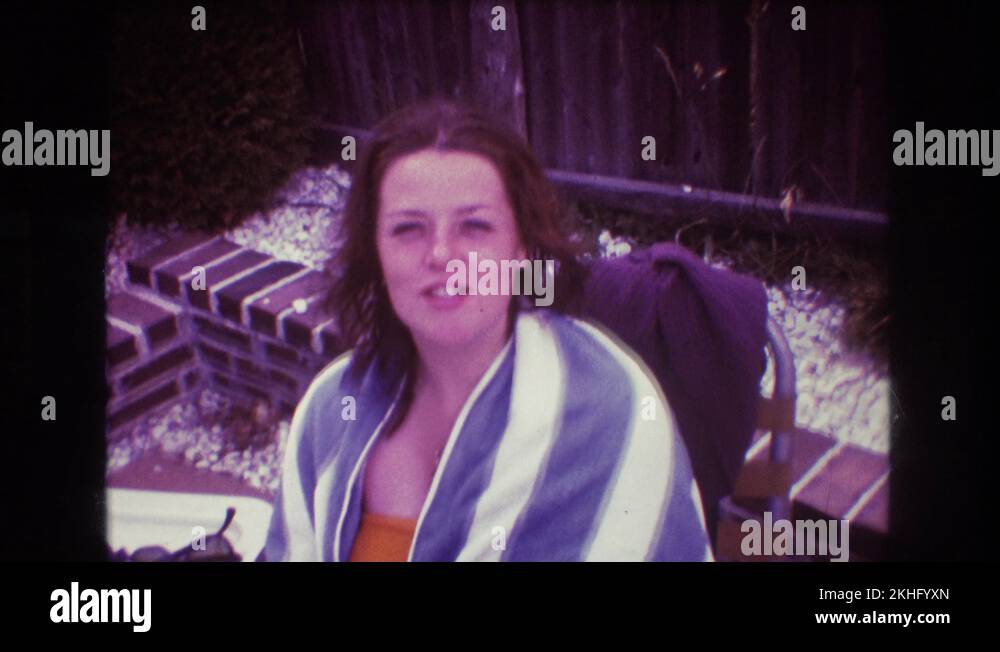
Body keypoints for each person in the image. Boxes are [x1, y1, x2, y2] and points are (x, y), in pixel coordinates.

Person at [259, 98, 713, 561]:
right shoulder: (333, 407)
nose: (441, 255)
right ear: (375, 253)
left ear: (521, 250)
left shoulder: (610, 410)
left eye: (475, 226)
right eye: (408, 229)